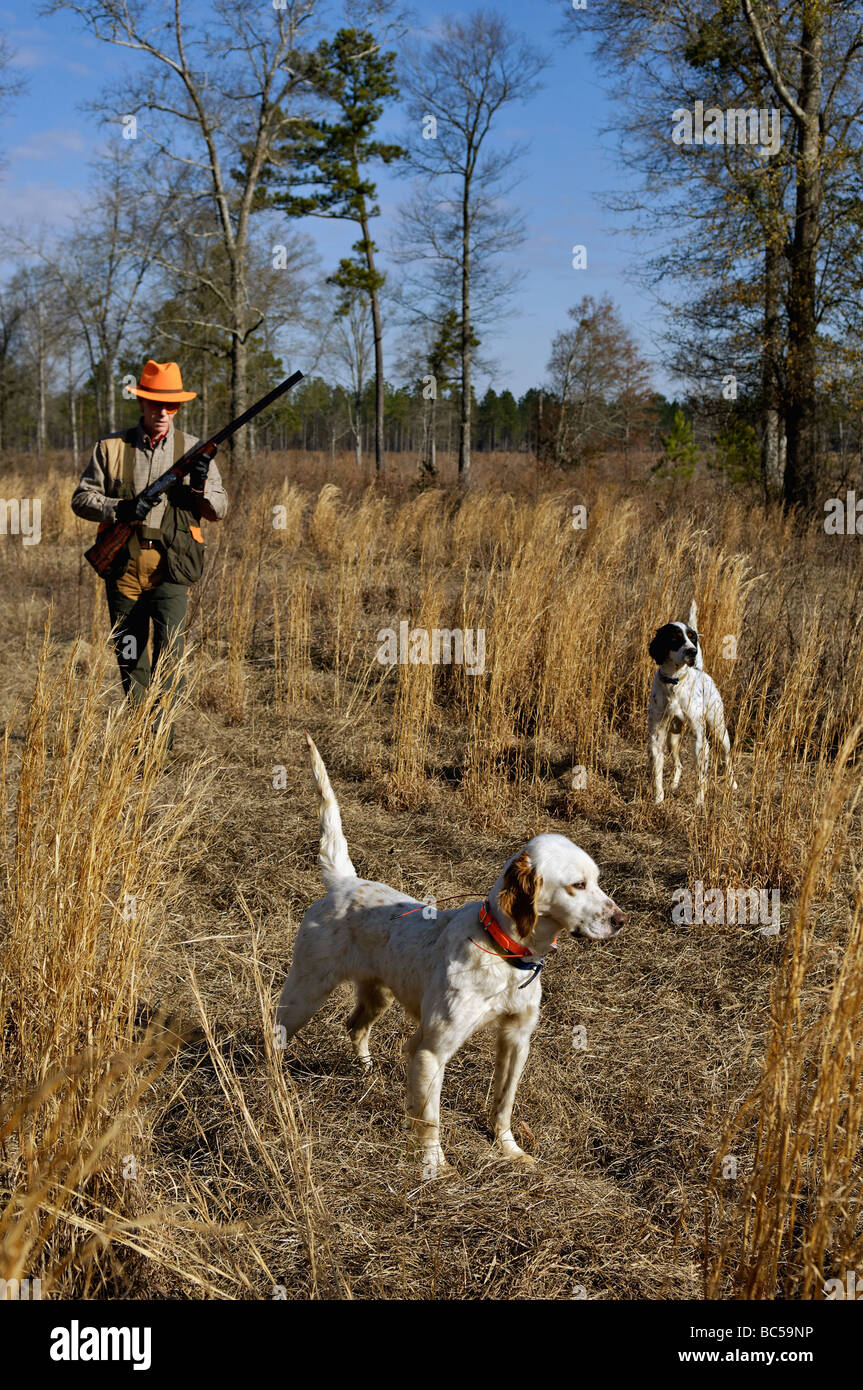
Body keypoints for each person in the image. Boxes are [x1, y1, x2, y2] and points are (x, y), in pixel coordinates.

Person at [72, 359, 228, 744]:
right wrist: (120, 509)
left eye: (171, 405)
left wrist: (202, 481)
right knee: (129, 654)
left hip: (171, 569)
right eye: (156, 403)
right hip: (122, 566)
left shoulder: (193, 450)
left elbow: (218, 510)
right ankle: (143, 732)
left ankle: (160, 736)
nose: (163, 412)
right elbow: (80, 499)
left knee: (170, 655)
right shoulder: (110, 448)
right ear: (141, 402)